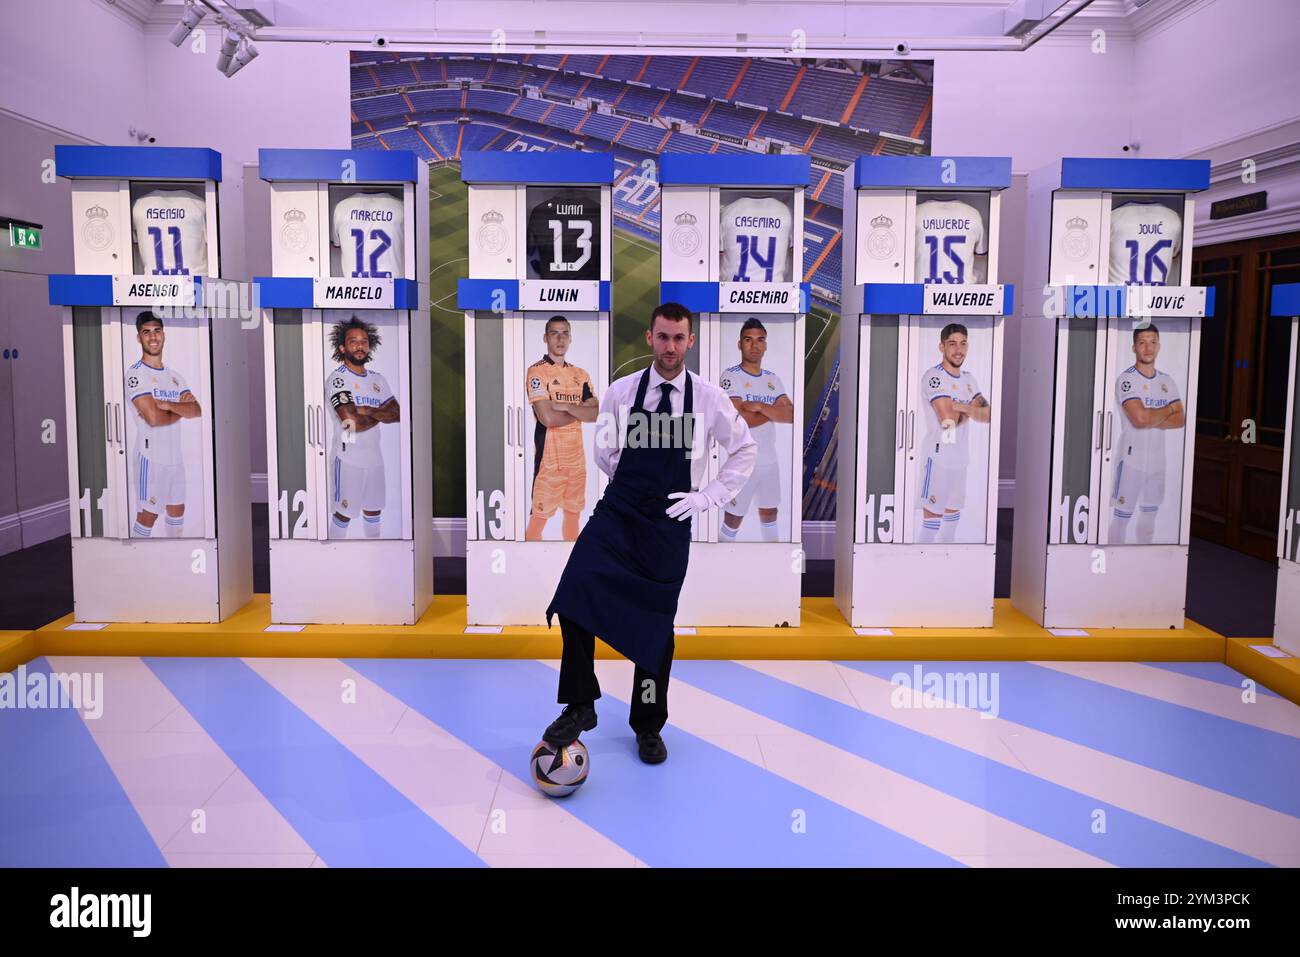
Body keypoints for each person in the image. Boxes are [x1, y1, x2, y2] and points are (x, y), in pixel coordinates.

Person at [542, 302, 757, 764]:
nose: (671, 347)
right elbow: (605, 450)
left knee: (654, 629)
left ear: (690, 341)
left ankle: (647, 725)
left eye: (679, 339)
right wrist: (629, 487)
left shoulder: (708, 398)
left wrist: (706, 497)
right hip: (619, 513)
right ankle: (580, 703)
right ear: (650, 338)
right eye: (663, 337)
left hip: (667, 524)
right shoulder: (622, 392)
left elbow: (744, 450)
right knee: (575, 592)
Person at [126, 311, 201, 538]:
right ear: (139, 337)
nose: (153, 337)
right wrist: (179, 409)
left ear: (164, 335)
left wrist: (167, 404)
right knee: (148, 515)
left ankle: (174, 560)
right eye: (146, 332)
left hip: (175, 459)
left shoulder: (175, 376)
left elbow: (196, 410)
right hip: (151, 458)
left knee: (177, 511)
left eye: (157, 331)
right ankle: (137, 563)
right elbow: (153, 418)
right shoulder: (136, 375)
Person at [326, 316, 401, 539]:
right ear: (342, 347)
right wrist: (378, 412)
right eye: (353, 341)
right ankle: (335, 556)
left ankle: (373, 553)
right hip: (348, 458)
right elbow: (352, 422)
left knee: (373, 510)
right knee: (343, 514)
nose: (360, 346)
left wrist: (366, 409)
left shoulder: (378, 380)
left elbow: (397, 413)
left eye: (364, 341)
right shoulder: (338, 380)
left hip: (375, 458)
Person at [1109, 324, 1185, 544]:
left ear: (1159, 346)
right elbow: (1140, 419)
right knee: (1122, 519)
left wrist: (1153, 416)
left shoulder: (1166, 381)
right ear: (1134, 347)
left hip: (1157, 463)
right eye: (1142, 343)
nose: (1148, 348)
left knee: (1149, 519)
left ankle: (1144, 561)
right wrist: (1169, 409)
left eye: (1152, 342)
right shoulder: (1127, 379)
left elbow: (1181, 420)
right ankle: (1116, 562)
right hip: (1131, 461)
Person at [720, 318, 793, 542]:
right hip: (742, 461)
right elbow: (739, 419)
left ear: (766, 345)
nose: (755, 345)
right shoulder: (731, 376)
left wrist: (760, 406)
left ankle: (773, 561)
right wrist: (773, 411)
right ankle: (720, 561)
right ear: (739, 344)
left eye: (760, 340)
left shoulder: (773, 379)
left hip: (770, 462)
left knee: (770, 512)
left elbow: (790, 414)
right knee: (733, 517)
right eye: (748, 340)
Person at [525, 316, 598, 541]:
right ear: (545, 337)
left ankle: (570, 566)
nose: (560, 338)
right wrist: (579, 411)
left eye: (565, 333)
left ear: (570, 338)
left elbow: (595, 414)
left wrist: (565, 406)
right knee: (539, 519)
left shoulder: (581, 375)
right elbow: (547, 418)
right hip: (549, 462)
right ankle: (529, 564)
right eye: (555, 333)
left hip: (576, 461)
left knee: (573, 515)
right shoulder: (537, 372)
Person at [916, 323, 989, 543]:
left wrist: (961, 406)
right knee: (931, 523)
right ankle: (918, 568)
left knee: (952, 523)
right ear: (941, 347)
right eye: (952, 344)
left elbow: (988, 415)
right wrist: (971, 409)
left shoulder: (969, 379)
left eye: (963, 343)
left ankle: (945, 569)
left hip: (960, 460)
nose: (959, 350)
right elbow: (948, 421)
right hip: (938, 459)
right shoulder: (934, 377)